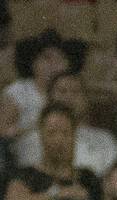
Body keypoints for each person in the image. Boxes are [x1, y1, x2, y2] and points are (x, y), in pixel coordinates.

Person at [15, 70, 117, 177]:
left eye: (76, 92)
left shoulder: (105, 139)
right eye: (62, 91)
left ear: (86, 100)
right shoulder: (33, 138)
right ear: (49, 99)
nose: (69, 97)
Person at [3, 28, 69, 162]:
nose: (54, 64)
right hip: (27, 162)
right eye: (47, 58)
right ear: (33, 62)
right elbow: (3, 131)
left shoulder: (69, 90)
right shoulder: (19, 91)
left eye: (59, 58)